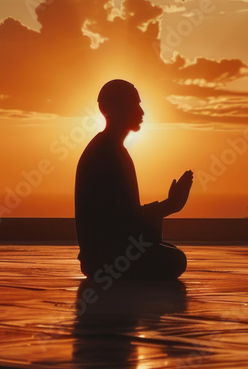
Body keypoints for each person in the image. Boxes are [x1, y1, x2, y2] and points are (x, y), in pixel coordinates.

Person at [75, 79, 192, 281]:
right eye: (134, 105)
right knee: (175, 259)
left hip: (104, 256)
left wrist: (168, 205)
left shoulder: (113, 150)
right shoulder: (106, 154)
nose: (142, 112)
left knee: (170, 251)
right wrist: (169, 205)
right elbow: (122, 224)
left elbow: (127, 216)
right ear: (110, 108)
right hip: (106, 260)